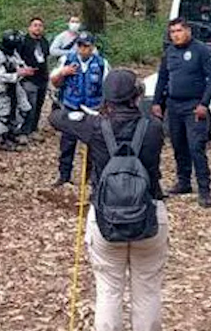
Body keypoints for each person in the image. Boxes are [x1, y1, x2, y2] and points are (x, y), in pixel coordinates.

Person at [50, 70, 166, 331]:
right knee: (147, 291)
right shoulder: (155, 127)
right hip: (149, 213)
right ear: (138, 95)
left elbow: (55, 118)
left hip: (105, 217)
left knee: (109, 291)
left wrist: (63, 96)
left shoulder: (95, 126)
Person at [151, 17, 211, 208]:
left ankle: (204, 189)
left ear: (188, 31)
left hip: (194, 106)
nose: (176, 35)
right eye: (172, 32)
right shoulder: (169, 52)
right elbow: (163, 78)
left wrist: (204, 103)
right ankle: (183, 182)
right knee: (178, 145)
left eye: (179, 31)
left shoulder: (201, 50)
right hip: (174, 106)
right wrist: (157, 102)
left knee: (196, 147)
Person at [49, 33, 108, 186]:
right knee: (67, 144)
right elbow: (54, 82)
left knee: (93, 146)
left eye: (86, 46)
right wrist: (63, 72)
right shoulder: (67, 60)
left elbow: (107, 87)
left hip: (92, 110)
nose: (83, 49)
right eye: (80, 45)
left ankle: (90, 177)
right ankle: (64, 176)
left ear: (92, 47)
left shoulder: (102, 63)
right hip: (71, 106)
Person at [0, 30, 30, 152]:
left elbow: (20, 64)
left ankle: (14, 133)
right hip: (4, 87)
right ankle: (4, 140)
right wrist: (16, 75)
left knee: (24, 108)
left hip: (15, 85)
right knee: (5, 113)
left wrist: (25, 70)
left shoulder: (13, 52)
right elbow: (0, 75)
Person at [17, 17, 52, 140]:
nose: (38, 28)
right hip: (29, 79)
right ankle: (23, 131)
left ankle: (33, 129)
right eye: (35, 25)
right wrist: (22, 71)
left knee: (38, 106)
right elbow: (17, 59)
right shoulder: (23, 41)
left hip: (42, 78)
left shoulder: (44, 41)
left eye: (40, 25)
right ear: (30, 27)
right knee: (29, 106)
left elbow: (45, 58)